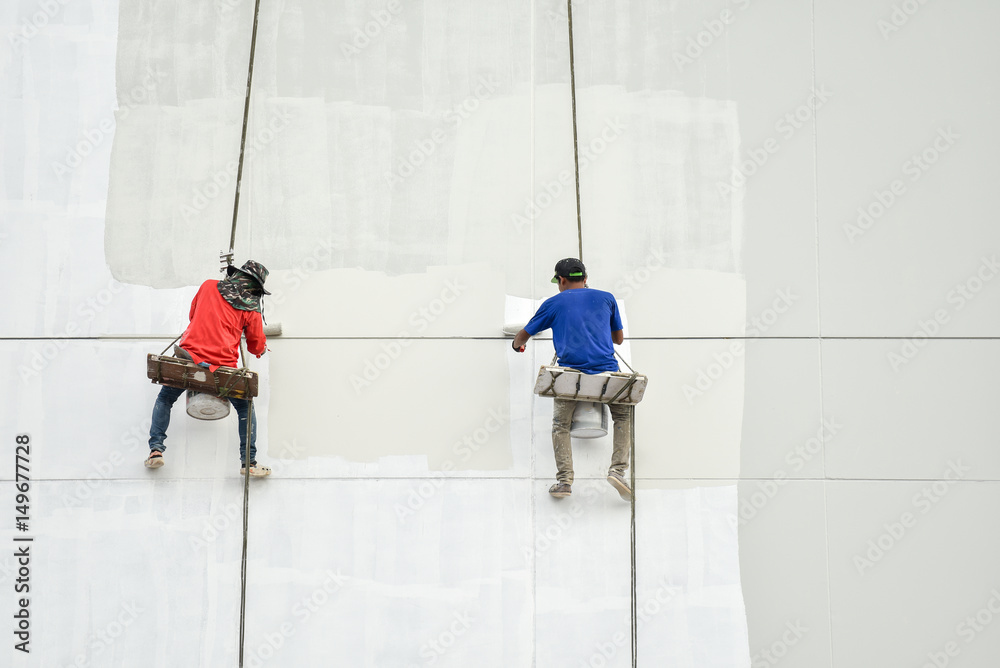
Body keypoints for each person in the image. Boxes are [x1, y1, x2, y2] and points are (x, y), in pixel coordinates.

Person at [512, 258, 632, 501]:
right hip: (607, 373)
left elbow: (525, 334)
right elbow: (617, 339)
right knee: (622, 415)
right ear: (586, 279)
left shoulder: (553, 303)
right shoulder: (606, 298)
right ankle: (618, 471)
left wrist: (517, 345)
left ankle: (564, 481)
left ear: (561, 280)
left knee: (560, 426)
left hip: (571, 377)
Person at [145, 260, 271, 476]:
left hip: (188, 358)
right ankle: (248, 463)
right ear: (255, 287)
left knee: (166, 398)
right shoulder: (252, 307)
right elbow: (255, 345)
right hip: (222, 369)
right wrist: (260, 349)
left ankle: (156, 450)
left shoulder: (208, 286)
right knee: (245, 408)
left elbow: (193, 316)